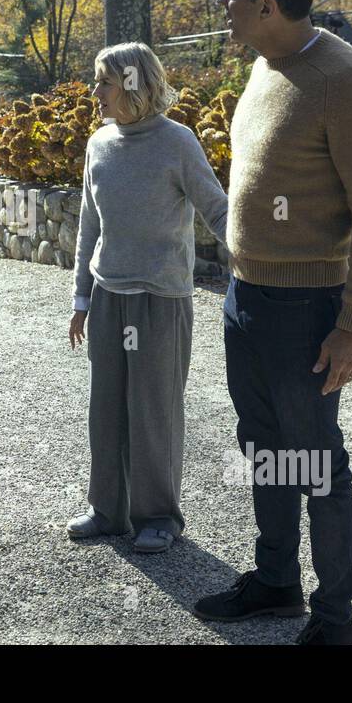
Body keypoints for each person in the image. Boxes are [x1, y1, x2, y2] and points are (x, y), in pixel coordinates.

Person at [190, 0, 352, 644]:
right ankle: (276, 581)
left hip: (306, 310)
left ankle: (335, 616)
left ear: (269, 7)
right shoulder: (264, 64)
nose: (223, 4)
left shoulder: (345, 80)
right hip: (244, 295)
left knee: (316, 462)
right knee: (264, 446)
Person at [66, 42, 228, 554]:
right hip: (110, 295)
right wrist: (81, 298)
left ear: (133, 85)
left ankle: (159, 516)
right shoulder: (98, 144)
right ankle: (107, 510)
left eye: (105, 83)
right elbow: (90, 224)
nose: (96, 93)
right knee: (106, 407)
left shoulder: (177, 142)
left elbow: (216, 208)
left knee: (154, 410)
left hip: (161, 300)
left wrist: (254, 258)